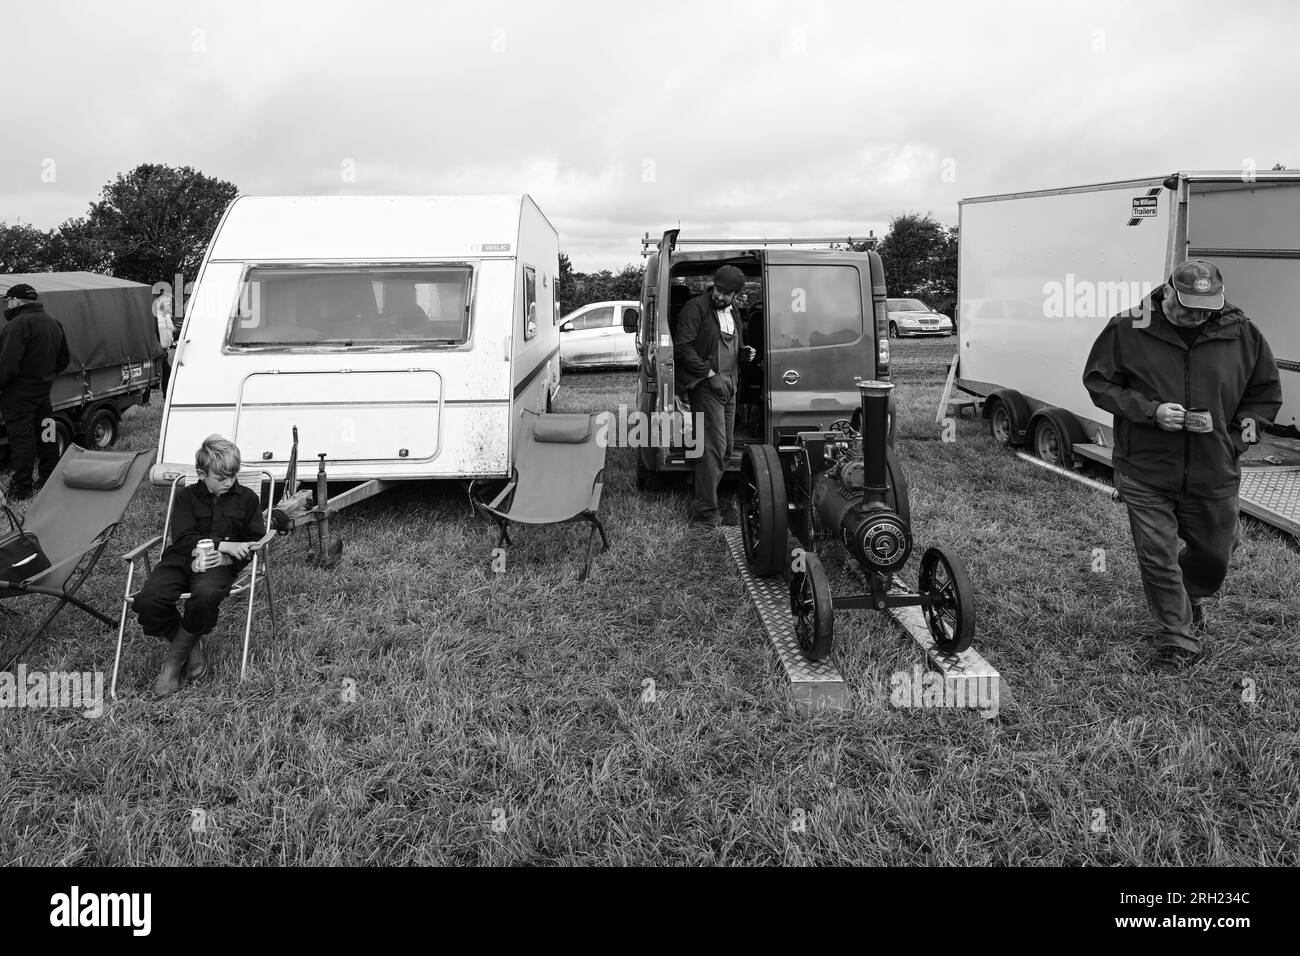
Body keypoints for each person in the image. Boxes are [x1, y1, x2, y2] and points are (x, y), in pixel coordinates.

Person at [1083, 259, 1282, 670]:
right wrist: (1149, 411)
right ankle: (1178, 636)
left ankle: (1191, 595)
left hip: (1214, 469)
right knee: (1156, 553)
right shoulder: (1129, 326)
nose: (1196, 315)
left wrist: (1236, 441)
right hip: (1145, 468)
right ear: (1168, 291)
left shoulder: (1241, 331)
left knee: (1217, 553)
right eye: (1188, 305)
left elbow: (1263, 396)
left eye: (1205, 308)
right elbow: (1099, 383)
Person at [133, 435, 266, 697]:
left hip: (218, 566)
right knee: (149, 601)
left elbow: (253, 542)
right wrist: (223, 544)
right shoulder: (187, 497)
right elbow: (183, 538)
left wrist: (227, 556)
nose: (229, 482)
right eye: (221, 477)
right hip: (181, 559)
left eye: (233, 475)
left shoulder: (247, 499)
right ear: (201, 473)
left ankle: (172, 663)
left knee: (204, 597)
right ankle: (191, 649)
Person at [674, 265, 758, 527]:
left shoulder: (732, 311)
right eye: (718, 290)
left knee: (726, 448)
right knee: (712, 448)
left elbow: (735, 344)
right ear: (714, 284)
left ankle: (708, 496)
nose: (719, 297)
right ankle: (705, 513)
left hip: (731, 385)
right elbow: (683, 348)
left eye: (726, 293)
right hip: (707, 385)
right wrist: (710, 374)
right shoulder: (695, 308)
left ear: (736, 295)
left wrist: (745, 352)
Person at [0, 283, 70, 500]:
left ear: (16, 301)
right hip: (43, 394)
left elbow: (7, 365)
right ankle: (48, 479)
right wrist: (45, 375)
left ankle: (21, 488)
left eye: (8, 300)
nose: (7, 304)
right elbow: (63, 360)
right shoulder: (53, 323)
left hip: (18, 396)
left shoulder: (17, 325)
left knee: (22, 440)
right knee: (47, 435)